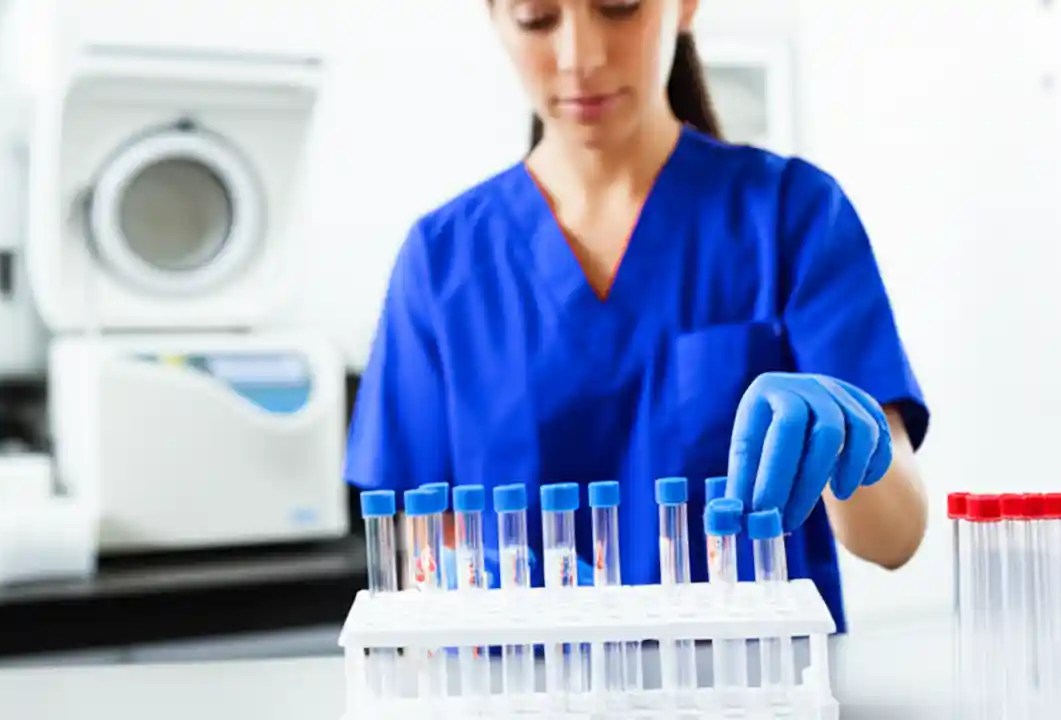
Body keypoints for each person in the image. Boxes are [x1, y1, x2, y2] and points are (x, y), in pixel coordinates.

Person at [345, 0, 929, 632]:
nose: (580, 58)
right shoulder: (443, 259)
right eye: (537, 19)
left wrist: (850, 440)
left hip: (745, 690)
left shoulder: (792, 216)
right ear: (495, 19)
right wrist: (471, 594)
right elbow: (412, 552)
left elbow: (894, 540)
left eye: (619, 8)